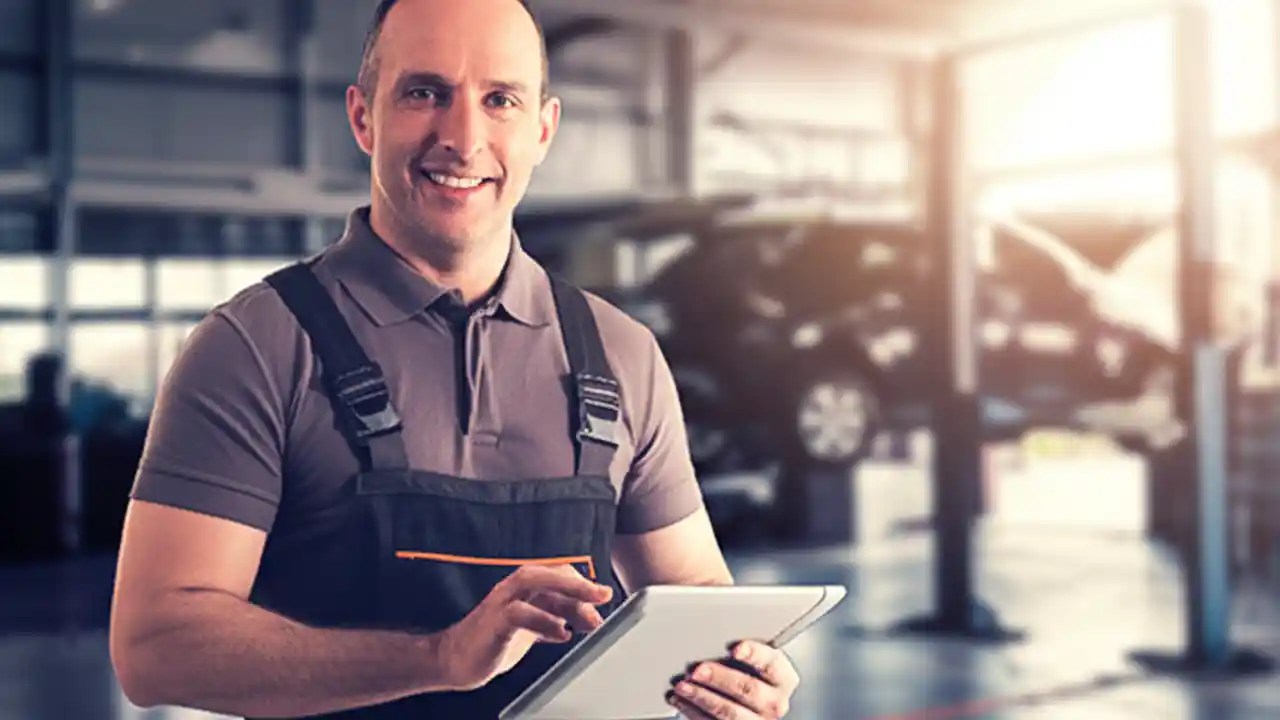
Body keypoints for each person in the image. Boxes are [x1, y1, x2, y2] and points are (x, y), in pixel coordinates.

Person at [108, 0, 800, 717]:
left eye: (499, 99)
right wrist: (438, 658)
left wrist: (743, 667)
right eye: (424, 92)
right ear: (363, 117)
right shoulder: (257, 345)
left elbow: (694, 591)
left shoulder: (621, 354)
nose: (463, 138)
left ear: (542, 129)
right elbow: (156, 648)